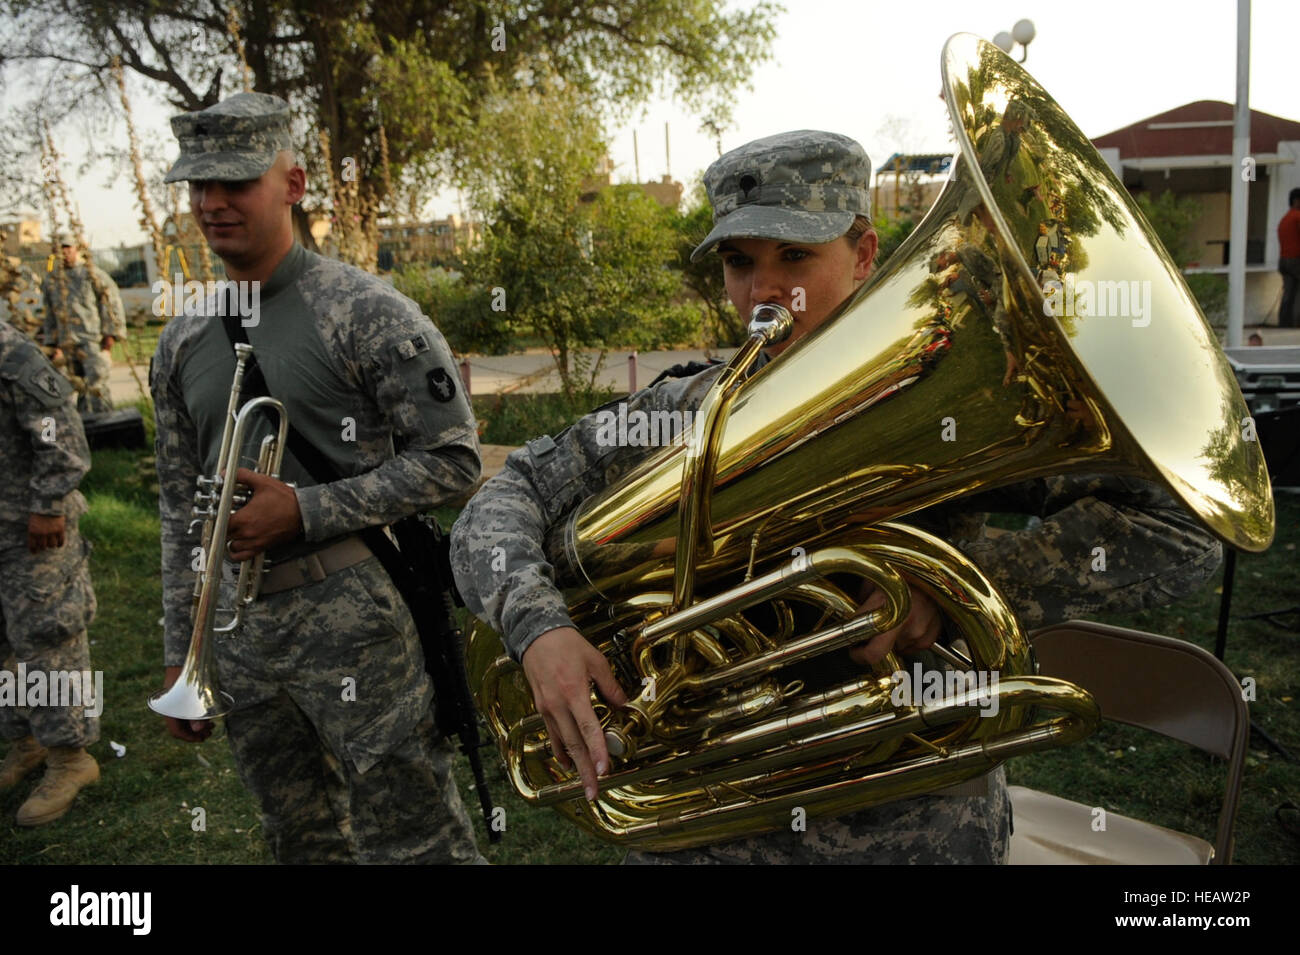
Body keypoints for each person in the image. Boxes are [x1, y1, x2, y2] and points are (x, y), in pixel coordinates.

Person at [450, 130, 1224, 864]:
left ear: (862, 256)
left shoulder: (952, 403)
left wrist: (962, 580)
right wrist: (537, 627)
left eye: (795, 254)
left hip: (912, 832)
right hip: (705, 832)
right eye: (738, 260)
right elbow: (497, 503)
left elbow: (1186, 529)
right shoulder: (683, 410)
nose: (762, 289)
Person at [152, 91, 484, 864]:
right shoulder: (181, 340)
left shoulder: (367, 311)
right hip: (235, 630)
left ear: (293, 185)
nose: (211, 203)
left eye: (235, 182)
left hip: (356, 617)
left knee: (413, 835)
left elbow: (455, 459)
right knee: (299, 837)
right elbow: (179, 512)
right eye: (198, 186)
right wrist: (182, 650)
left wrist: (306, 509)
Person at [0, 321, 99, 826]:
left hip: (30, 528)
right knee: (5, 647)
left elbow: (58, 425)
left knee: (49, 637)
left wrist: (48, 504)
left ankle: (71, 758)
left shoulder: (7, 348)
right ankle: (26, 741)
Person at [41, 241, 127, 414]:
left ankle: (105, 430)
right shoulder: (52, 280)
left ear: (77, 249)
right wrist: (52, 344)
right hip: (66, 345)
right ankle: (84, 430)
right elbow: (49, 314)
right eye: (59, 248)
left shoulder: (93, 275)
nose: (63, 252)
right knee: (69, 391)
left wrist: (110, 337)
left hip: (92, 342)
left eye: (67, 247)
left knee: (96, 389)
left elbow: (111, 305)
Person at [1277, 188, 1300, 329]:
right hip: (1295, 260)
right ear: (1297, 201)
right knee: (1298, 293)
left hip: (1284, 259)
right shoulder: (1297, 217)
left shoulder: (1285, 218)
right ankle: (1296, 321)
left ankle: (1284, 322)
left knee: (1288, 292)